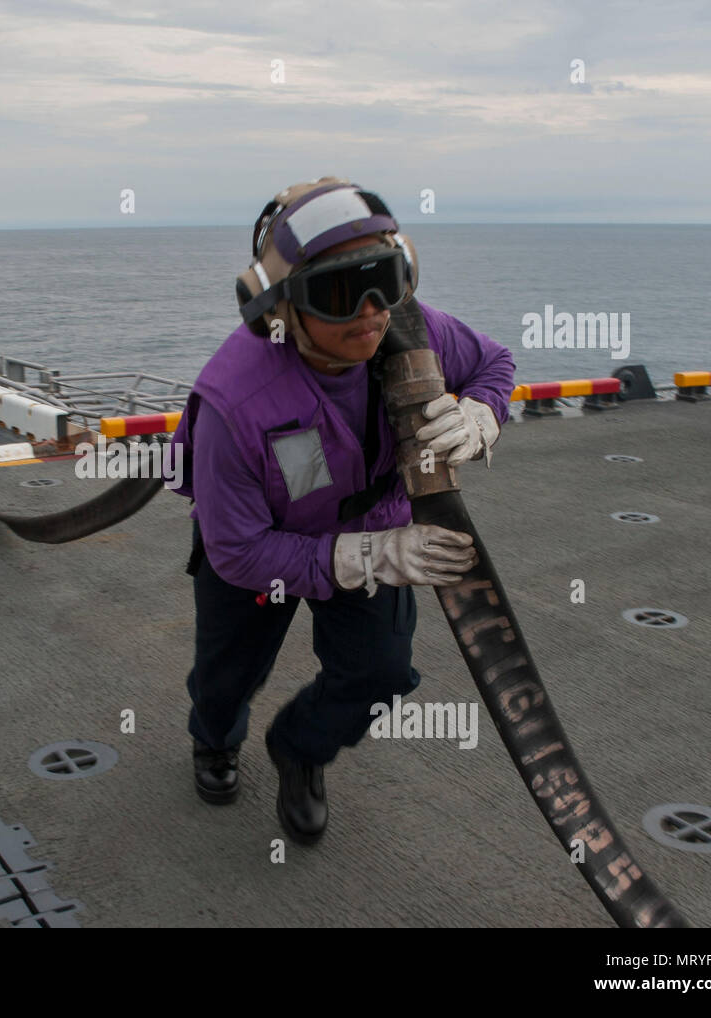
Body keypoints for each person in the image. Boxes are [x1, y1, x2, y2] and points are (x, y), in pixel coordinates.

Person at [168, 177, 515, 844]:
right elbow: (237, 549)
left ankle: (300, 747)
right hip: (262, 557)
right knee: (229, 672)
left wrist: (483, 412)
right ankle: (214, 740)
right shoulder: (235, 403)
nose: (367, 312)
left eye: (382, 278)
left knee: (382, 672)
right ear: (280, 307)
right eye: (335, 292)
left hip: (371, 524)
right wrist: (367, 557)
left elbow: (493, 363)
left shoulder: (413, 330)